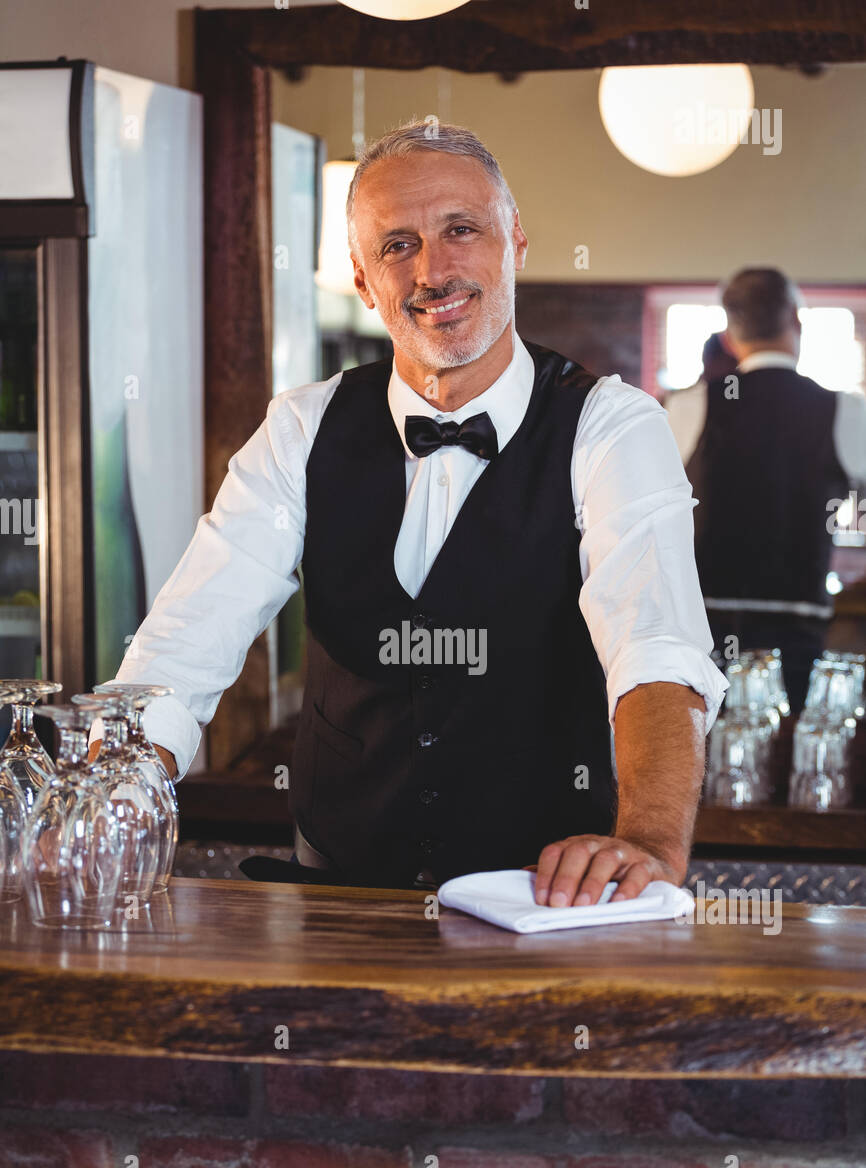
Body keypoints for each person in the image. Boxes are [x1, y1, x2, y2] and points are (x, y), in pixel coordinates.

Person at [97, 122, 726, 906]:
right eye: (397, 245)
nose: (434, 269)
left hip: (542, 902)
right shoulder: (302, 427)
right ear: (362, 279)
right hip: (338, 904)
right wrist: (106, 796)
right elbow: (182, 649)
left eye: (461, 230)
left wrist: (647, 839)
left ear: (515, 243)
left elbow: (656, 647)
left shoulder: (610, 424)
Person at [668, 267, 866, 713]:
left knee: (707, 761)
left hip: (704, 629)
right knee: (784, 757)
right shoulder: (845, 410)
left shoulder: (690, 404)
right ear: (795, 321)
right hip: (799, 629)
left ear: (731, 336)